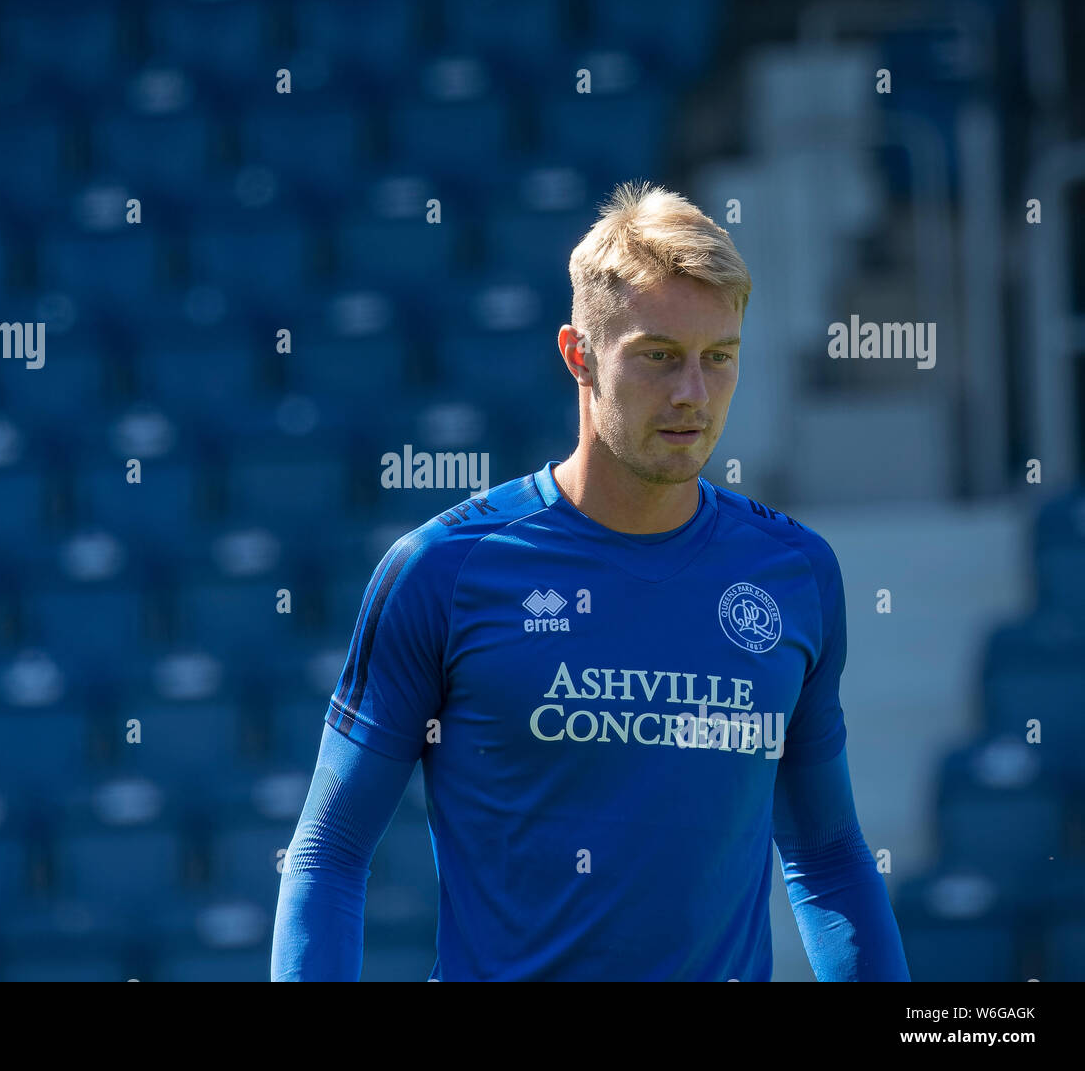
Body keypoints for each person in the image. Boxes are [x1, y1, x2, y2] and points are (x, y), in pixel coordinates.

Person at [271, 180, 911, 981]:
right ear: (579, 354)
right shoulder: (444, 569)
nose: (693, 394)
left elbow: (828, 856)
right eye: (658, 358)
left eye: (719, 358)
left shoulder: (794, 574)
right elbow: (328, 851)